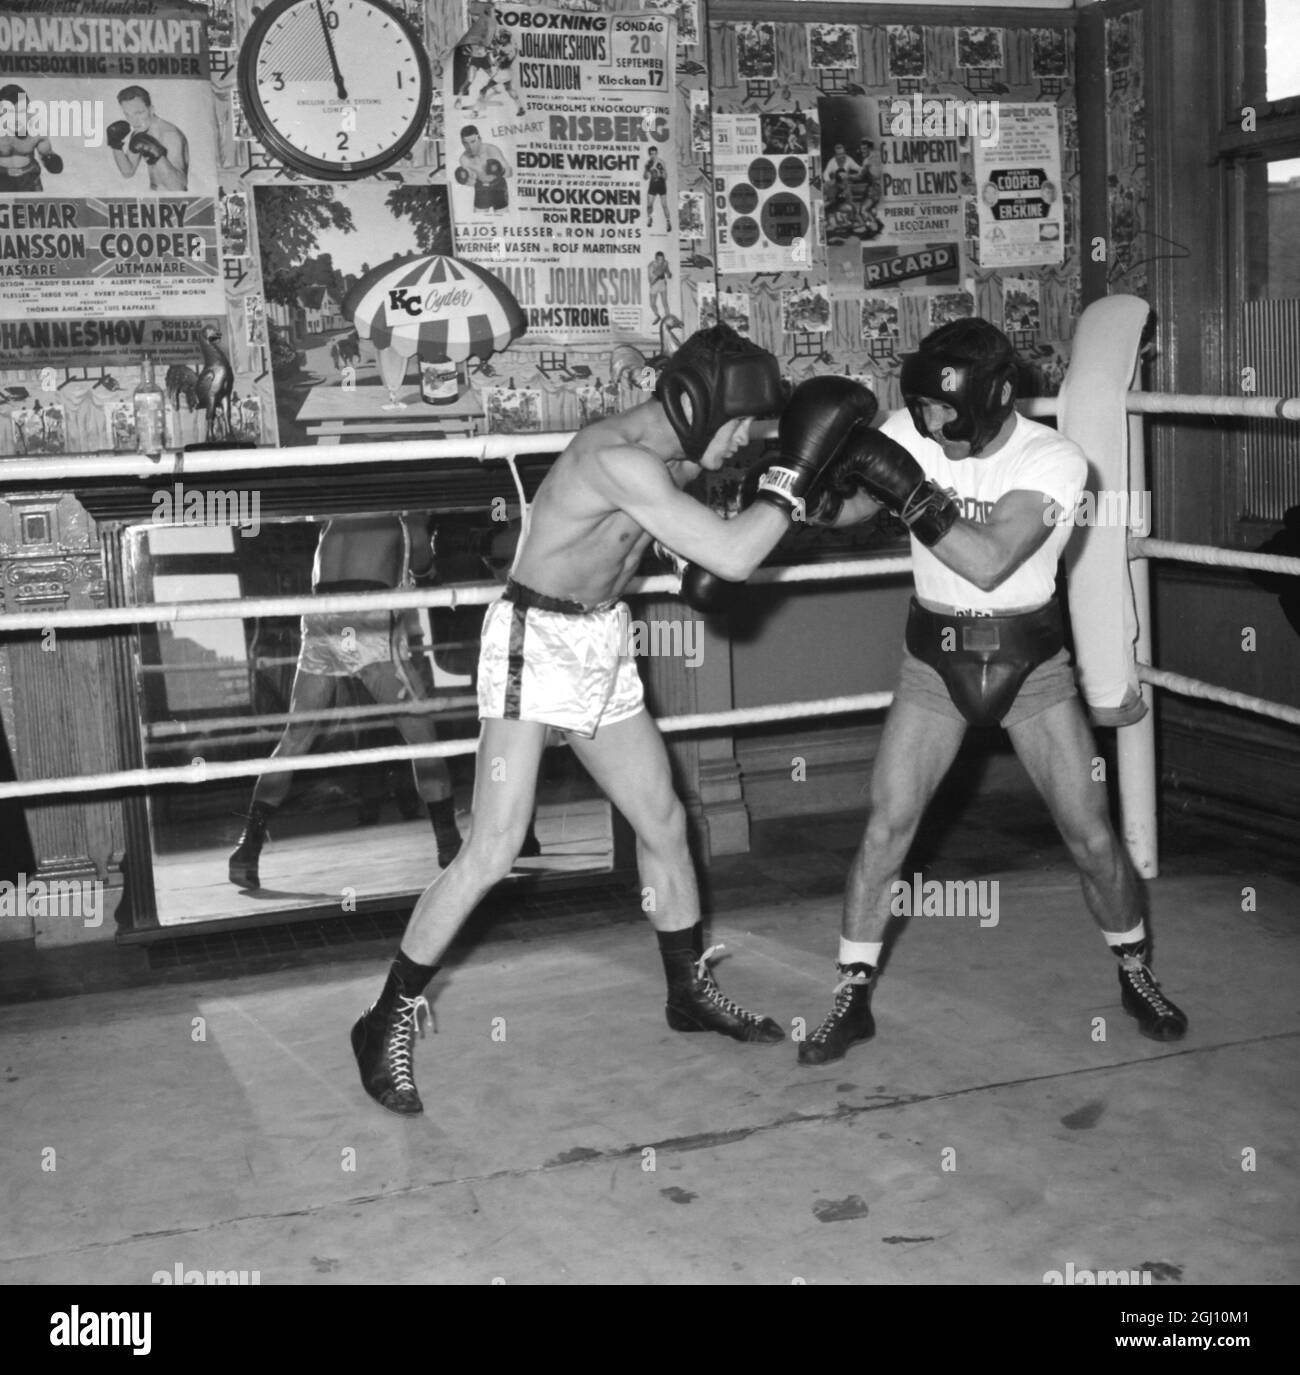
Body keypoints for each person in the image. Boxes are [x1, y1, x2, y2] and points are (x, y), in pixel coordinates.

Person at [350, 325, 879, 1115]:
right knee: (493, 846)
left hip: (600, 636)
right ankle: (383, 1016)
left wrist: (844, 497)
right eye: (739, 426)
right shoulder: (617, 460)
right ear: (703, 407)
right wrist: (795, 475)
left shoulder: (675, 462)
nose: (742, 444)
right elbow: (735, 556)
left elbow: (725, 544)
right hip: (536, 639)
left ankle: (686, 990)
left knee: (664, 819)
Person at [794, 318, 1189, 1065]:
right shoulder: (913, 432)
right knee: (886, 827)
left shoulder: (1057, 460)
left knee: (1091, 837)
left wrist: (907, 488)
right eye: (924, 409)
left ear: (997, 396)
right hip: (932, 662)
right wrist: (801, 490)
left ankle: (1136, 969)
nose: (934, 424)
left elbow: (988, 562)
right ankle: (851, 991)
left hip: (1029, 663)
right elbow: (850, 511)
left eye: (948, 409)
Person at [228, 514, 471, 889]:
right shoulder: (404, 515)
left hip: (322, 614)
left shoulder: (335, 514)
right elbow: (423, 569)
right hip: (367, 618)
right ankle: (449, 844)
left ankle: (247, 847)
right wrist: (426, 561)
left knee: (294, 739)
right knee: (423, 738)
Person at [107, 86, 188, 192]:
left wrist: (157, 156)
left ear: (151, 110)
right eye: (128, 114)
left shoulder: (169, 135)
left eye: (139, 113)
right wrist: (115, 144)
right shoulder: (139, 132)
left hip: (175, 200)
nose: (133, 121)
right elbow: (128, 172)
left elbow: (178, 187)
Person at [0, 85, 63, 192]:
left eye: (21, 112)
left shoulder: (35, 129)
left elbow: (47, 154)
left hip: (29, 178)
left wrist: (51, 160)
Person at [457, 125, 511, 215]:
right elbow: (471, 182)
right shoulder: (464, 159)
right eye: (465, 143)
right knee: (478, 217)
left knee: (503, 217)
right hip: (481, 189)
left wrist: (500, 170)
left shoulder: (492, 150)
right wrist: (466, 180)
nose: (470, 146)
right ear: (462, 143)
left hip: (499, 187)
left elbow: (509, 172)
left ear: (480, 139)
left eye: (473, 141)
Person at [644, 147, 670, 232]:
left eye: (654, 154)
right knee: (649, 205)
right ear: (649, 154)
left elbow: (665, 177)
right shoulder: (648, 163)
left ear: (657, 153)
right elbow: (645, 177)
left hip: (661, 184)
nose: (653, 156)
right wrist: (646, 171)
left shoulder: (661, 162)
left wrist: (660, 173)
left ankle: (668, 222)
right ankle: (649, 218)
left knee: (664, 205)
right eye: (651, 154)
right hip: (653, 185)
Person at [648, 251, 672, 323]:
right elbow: (651, 281)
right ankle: (657, 316)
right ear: (656, 259)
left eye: (662, 259)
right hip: (654, 284)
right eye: (659, 260)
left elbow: (668, 272)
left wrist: (669, 274)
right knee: (652, 304)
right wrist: (658, 275)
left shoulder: (665, 263)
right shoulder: (651, 266)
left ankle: (668, 318)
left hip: (662, 283)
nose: (661, 261)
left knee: (665, 302)